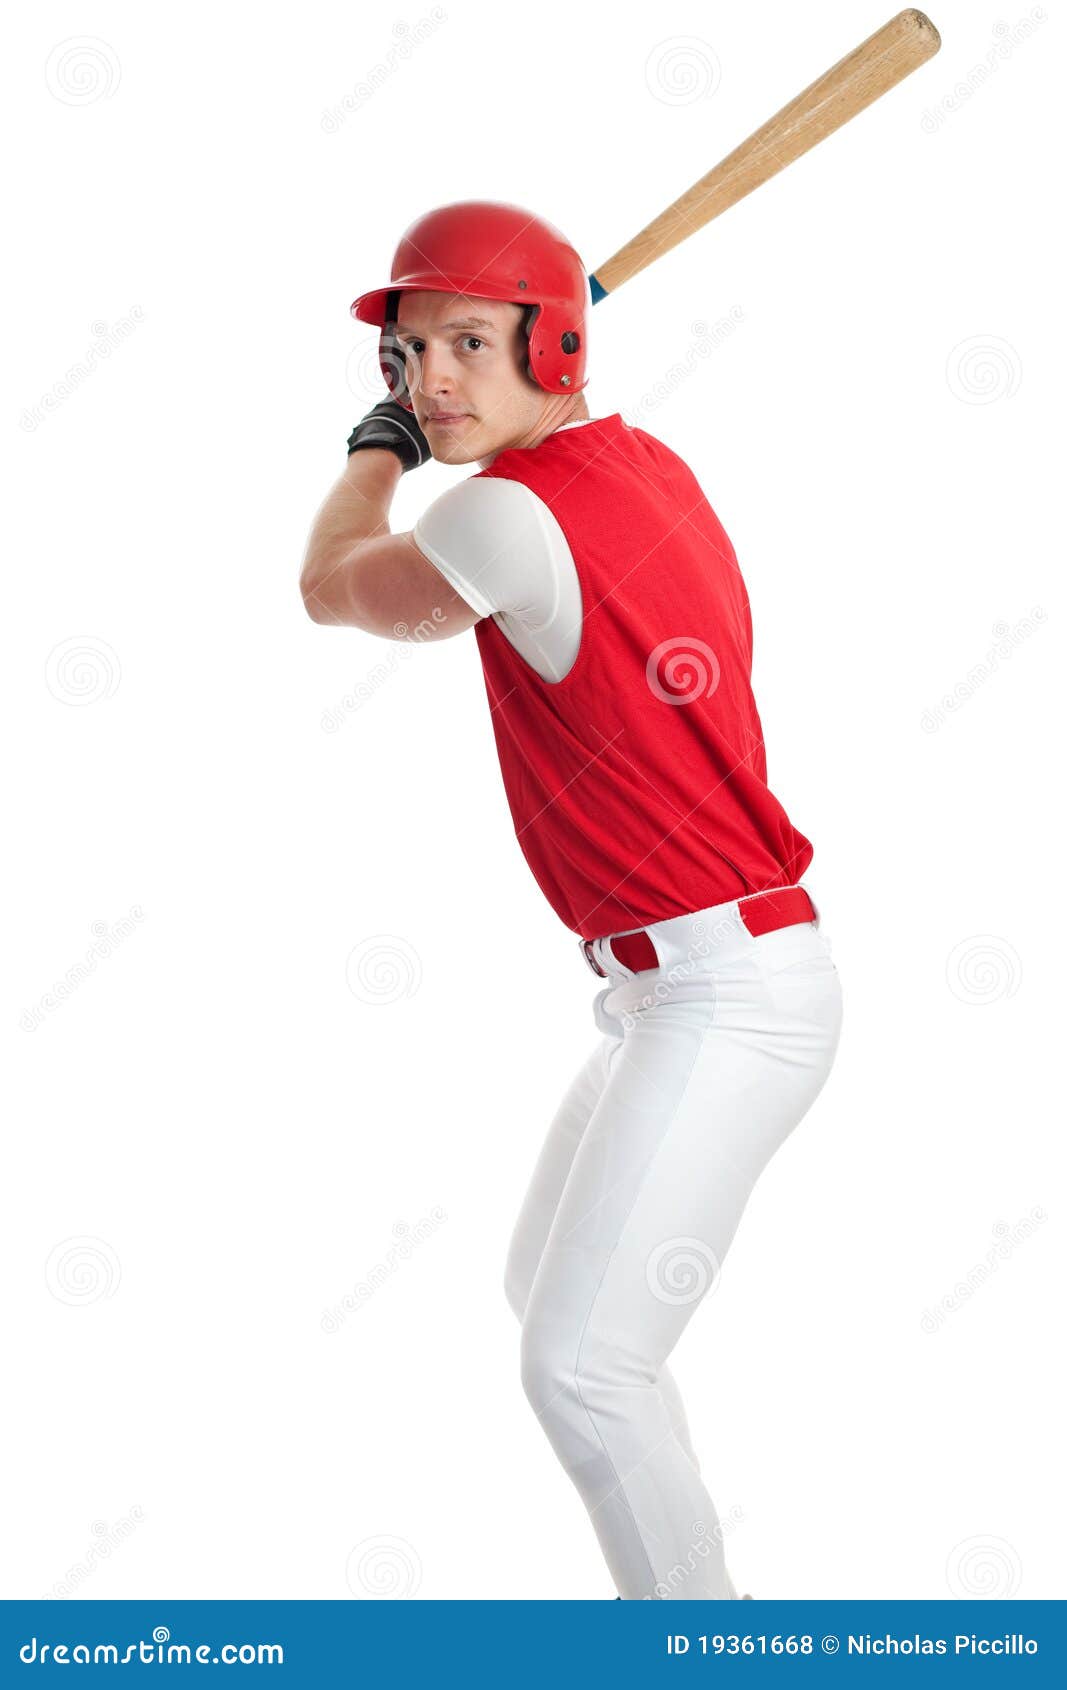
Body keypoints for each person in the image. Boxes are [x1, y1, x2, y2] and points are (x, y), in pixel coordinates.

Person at [299, 200, 844, 1601]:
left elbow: (329, 587)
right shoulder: (648, 461)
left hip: (727, 992)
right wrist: (440, 426)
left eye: (472, 345)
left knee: (581, 1364)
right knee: (551, 1295)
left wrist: (376, 460)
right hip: (672, 986)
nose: (431, 386)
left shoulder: (494, 509)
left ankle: (696, 1646)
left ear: (557, 341)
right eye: (409, 358)